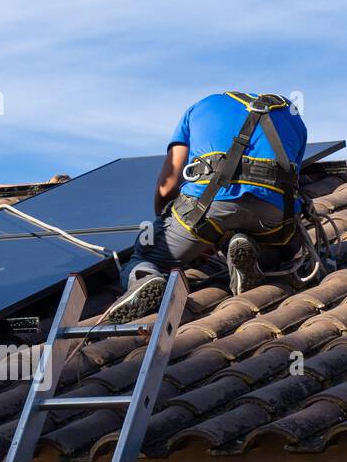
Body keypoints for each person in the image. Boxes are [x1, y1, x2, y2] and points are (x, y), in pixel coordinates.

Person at [114, 91, 308, 318]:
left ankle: (147, 277)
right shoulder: (292, 115)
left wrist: (171, 230)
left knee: (145, 257)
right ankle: (251, 250)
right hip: (274, 215)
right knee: (283, 251)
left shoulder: (198, 108)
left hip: (206, 210)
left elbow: (167, 186)